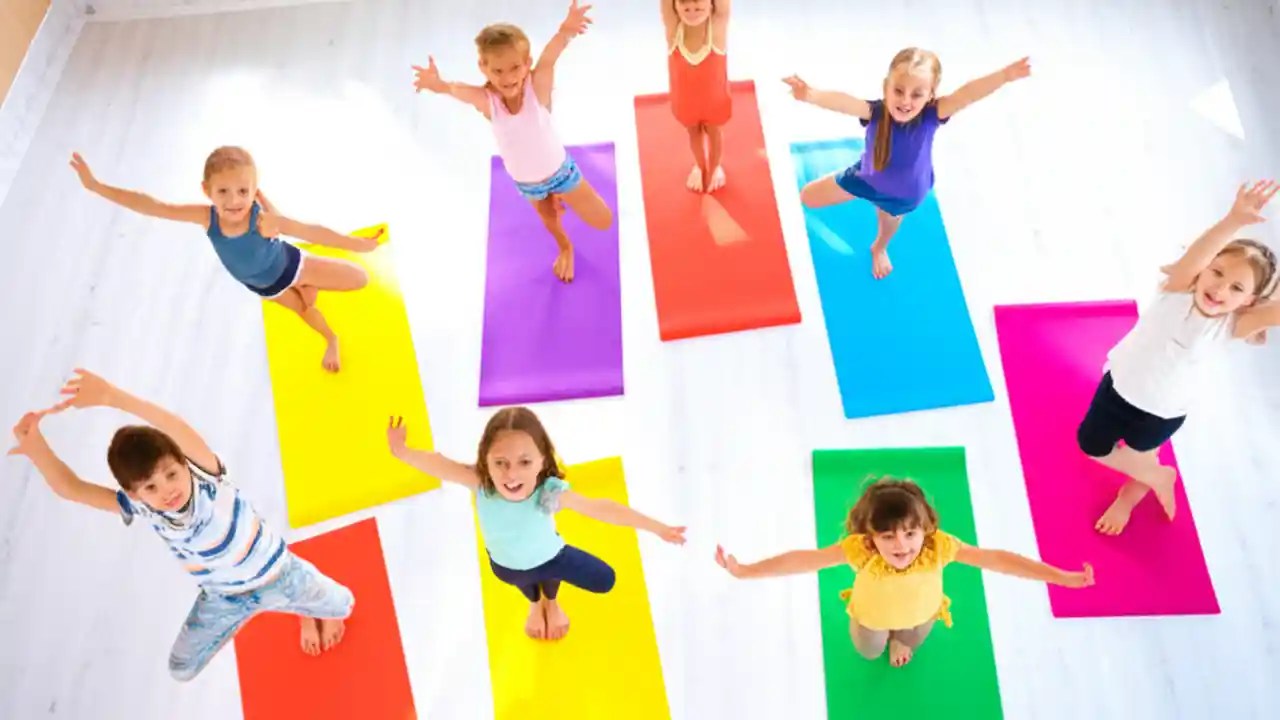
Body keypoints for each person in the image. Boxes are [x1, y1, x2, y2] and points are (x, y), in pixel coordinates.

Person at [7, 369, 354, 681]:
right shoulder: (145, 509)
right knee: (181, 669)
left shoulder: (207, 477)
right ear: (135, 493)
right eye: (151, 488)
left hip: (280, 573)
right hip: (225, 596)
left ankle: (303, 611)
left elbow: (175, 428)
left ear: (184, 464)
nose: (167, 491)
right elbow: (73, 489)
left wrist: (112, 397)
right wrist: (37, 449)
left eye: (171, 474)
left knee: (344, 605)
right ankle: (270, 608)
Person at [717, 477, 1092, 667]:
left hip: (922, 615)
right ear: (871, 537)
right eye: (888, 535)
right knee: (867, 651)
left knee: (911, 638)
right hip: (871, 619)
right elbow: (804, 559)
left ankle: (902, 641)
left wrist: (1059, 577)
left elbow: (997, 559)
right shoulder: (859, 550)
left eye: (910, 533)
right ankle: (886, 639)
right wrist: (746, 570)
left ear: (923, 529)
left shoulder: (938, 547)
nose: (902, 545)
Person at [1079, 180, 1279, 534]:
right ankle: (1162, 477)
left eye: (1236, 288)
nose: (1219, 289)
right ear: (1203, 268)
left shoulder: (1234, 325)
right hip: (1118, 388)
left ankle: (1129, 497)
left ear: (1248, 301)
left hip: (1162, 414)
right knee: (1091, 446)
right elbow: (1201, 253)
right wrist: (1234, 220)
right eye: (1217, 273)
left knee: (1142, 456)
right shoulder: (1176, 289)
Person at [69, 147, 378, 372]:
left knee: (359, 279)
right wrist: (96, 186)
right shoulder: (207, 218)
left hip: (293, 268)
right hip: (264, 286)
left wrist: (355, 244)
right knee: (304, 309)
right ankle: (331, 338)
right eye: (223, 191)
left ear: (254, 191)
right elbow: (153, 206)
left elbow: (311, 231)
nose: (234, 201)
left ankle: (310, 284)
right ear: (207, 191)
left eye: (244, 191)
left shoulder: (264, 220)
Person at [386, 409, 685, 640]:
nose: (511, 475)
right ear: (485, 461)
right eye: (500, 462)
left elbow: (600, 509)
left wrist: (656, 527)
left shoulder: (549, 492)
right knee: (526, 585)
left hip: (551, 556)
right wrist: (402, 452)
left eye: (524, 462)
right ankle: (535, 605)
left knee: (602, 580)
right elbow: (439, 464)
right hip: (506, 566)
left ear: (542, 460)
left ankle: (551, 603)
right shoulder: (480, 482)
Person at [412, 1, 613, 282]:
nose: (507, 78)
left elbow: (549, 59)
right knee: (548, 219)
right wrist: (438, 85)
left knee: (604, 221)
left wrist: (565, 31)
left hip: (561, 172)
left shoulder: (537, 88)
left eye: (515, 67)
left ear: (526, 64)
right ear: (483, 67)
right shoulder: (488, 102)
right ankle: (566, 247)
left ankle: (559, 196)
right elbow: (456, 90)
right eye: (497, 71)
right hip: (529, 184)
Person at [785, 48, 1030, 278]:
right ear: (886, 87)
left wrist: (1005, 76)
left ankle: (879, 249)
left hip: (903, 195)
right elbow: (842, 102)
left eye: (917, 94)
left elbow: (967, 94)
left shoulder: (932, 116)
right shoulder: (875, 112)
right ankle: (869, 194)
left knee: (887, 222)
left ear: (930, 95)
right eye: (899, 91)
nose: (905, 101)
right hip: (864, 178)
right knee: (808, 196)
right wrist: (809, 95)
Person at [661, 0, 733, 192]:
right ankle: (700, 167)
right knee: (693, 133)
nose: (692, 13)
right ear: (675, 7)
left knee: (714, 133)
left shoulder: (717, 30)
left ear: (711, 6)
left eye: (698, 8)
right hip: (685, 102)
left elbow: (724, 8)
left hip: (714, 101)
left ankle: (715, 167)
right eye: (686, 9)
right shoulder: (673, 30)